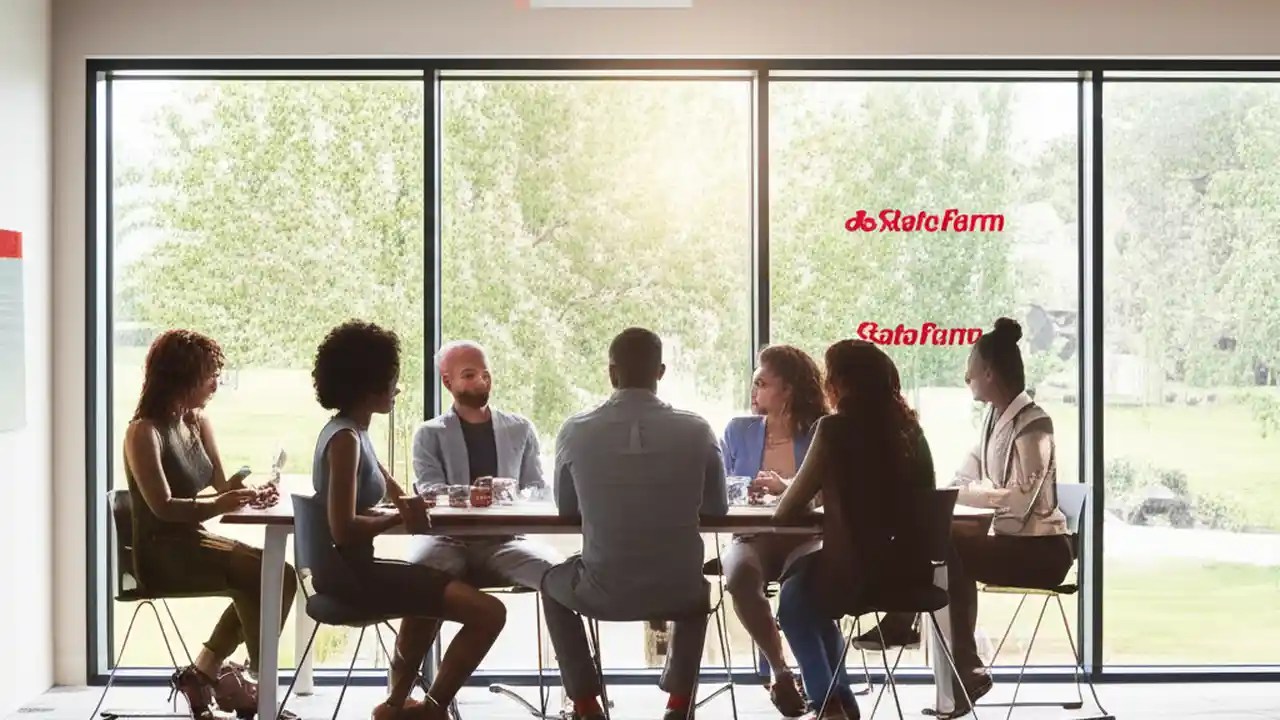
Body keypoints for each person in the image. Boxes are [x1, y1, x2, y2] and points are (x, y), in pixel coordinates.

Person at [865, 318, 1070, 713]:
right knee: (943, 552)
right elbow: (959, 481)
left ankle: (933, 645)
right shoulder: (992, 422)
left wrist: (975, 493)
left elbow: (1020, 499)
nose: (966, 376)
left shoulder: (1035, 423)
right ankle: (961, 672)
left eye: (971, 368)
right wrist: (977, 492)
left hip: (1043, 553)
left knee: (947, 553)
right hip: (1012, 545)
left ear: (989, 373)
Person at [309, 321, 507, 720]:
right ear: (369, 386)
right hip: (354, 578)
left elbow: (391, 488)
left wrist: (404, 503)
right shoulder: (346, 441)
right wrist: (394, 518)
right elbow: (342, 529)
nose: (398, 389)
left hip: (352, 572)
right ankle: (431, 708)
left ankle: (397, 705)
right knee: (490, 612)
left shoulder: (354, 432)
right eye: (392, 381)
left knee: (432, 579)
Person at [408, 340, 603, 719]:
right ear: (447, 382)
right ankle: (411, 701)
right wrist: (475, 493)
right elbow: (429, 491)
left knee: (560, 576)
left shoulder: (520, 428)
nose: (482, 380)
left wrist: (514, 493)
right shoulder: (429, 434)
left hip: (506, 542)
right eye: (469, 375)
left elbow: (537, 490)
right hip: (448, 541)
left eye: (485, 373)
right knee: (419, 580)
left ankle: (584, 701)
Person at [543, 327, 729, 720]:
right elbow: (718, 507)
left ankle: (585, 703)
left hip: (601, 590)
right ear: (660, 372)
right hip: (678, 590)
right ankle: (679, 704)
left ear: (612, 373)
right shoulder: (698, 430)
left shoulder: (575, 431)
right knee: (697, 590)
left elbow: (566, 510)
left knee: (550, 584)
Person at [122, 329, 298, 719]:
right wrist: (221, 502)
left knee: (275, 576)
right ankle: (252, 686)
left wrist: (249, 491)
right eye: (209, 375)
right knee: (270, 576)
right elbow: (164, 508)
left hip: (195, 540)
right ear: (182, 378)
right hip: (161, 553)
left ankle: (206, 672)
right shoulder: (143, 432)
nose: (216, 383)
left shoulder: (198, 422)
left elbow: (221, 485)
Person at [772, 340, 935, 720]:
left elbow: (785, 512)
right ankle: (838, 699)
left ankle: (830, 705)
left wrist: (817, 496)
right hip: (911, 578)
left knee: (796, 600)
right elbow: (922, 503)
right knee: (800, 595)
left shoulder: (833, 430)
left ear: (840, 384)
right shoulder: (913, 434)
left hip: (853, 577)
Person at [719, 345, 828, 717]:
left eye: (763, 384)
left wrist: (787, 486)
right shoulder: (738, 430)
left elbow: (830, 492)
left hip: (806, 540)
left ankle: (828, 690)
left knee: (801, 592)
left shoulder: (818, 432)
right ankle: (781, 671)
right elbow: (718, 487)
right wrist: (738, 491)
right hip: (752, 536)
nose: (755, 392)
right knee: (737, 575)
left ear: (790, 390)